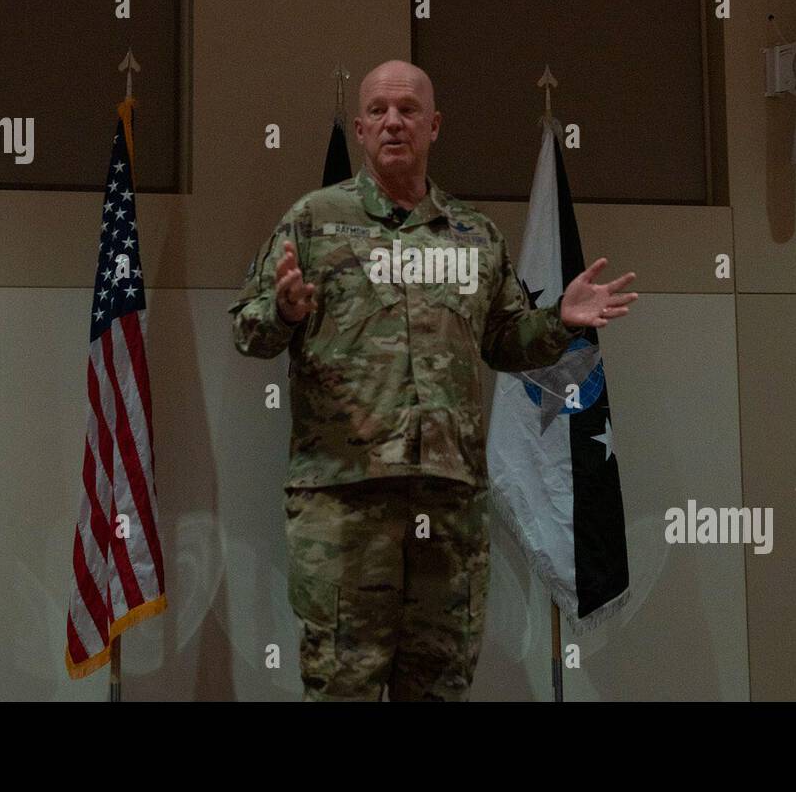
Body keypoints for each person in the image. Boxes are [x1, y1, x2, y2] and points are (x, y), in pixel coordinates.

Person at [228, 59, 637, 700]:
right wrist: (282, 312)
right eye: (380, 111)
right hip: (345, 507)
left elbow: (506, 342)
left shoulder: (475, 236)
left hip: (447, 508)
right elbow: (248, 332)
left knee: (440, 689)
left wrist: (559, 320)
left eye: (409, 109)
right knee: (342, 686)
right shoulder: (311, 221)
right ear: (360, 129)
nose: (394, 121)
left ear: (434, 125)